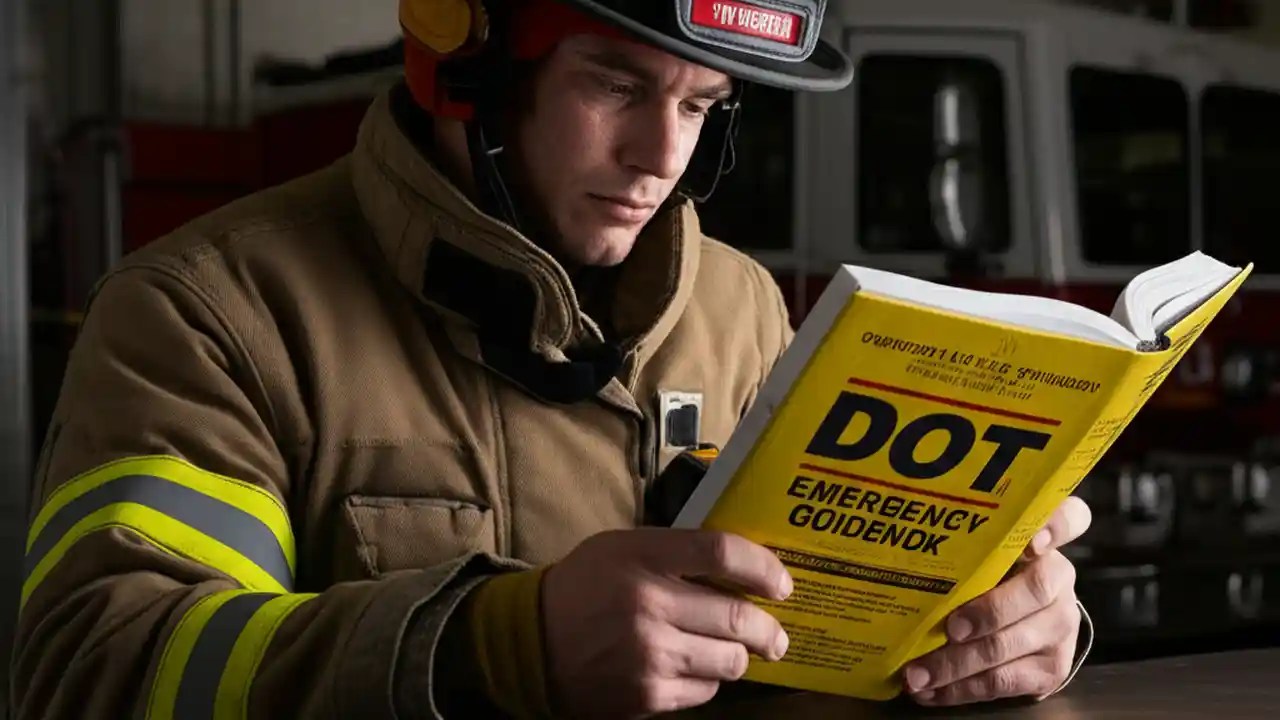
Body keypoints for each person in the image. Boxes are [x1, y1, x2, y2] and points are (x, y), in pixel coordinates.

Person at [11, 0, 1093, 718]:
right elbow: (97, 668)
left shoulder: (742, 310)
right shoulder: (211, 313)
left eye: (700, 104)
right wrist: (491, 645)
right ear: (465, 62)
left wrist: (1001, 631)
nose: (659, 159)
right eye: (615, 86)